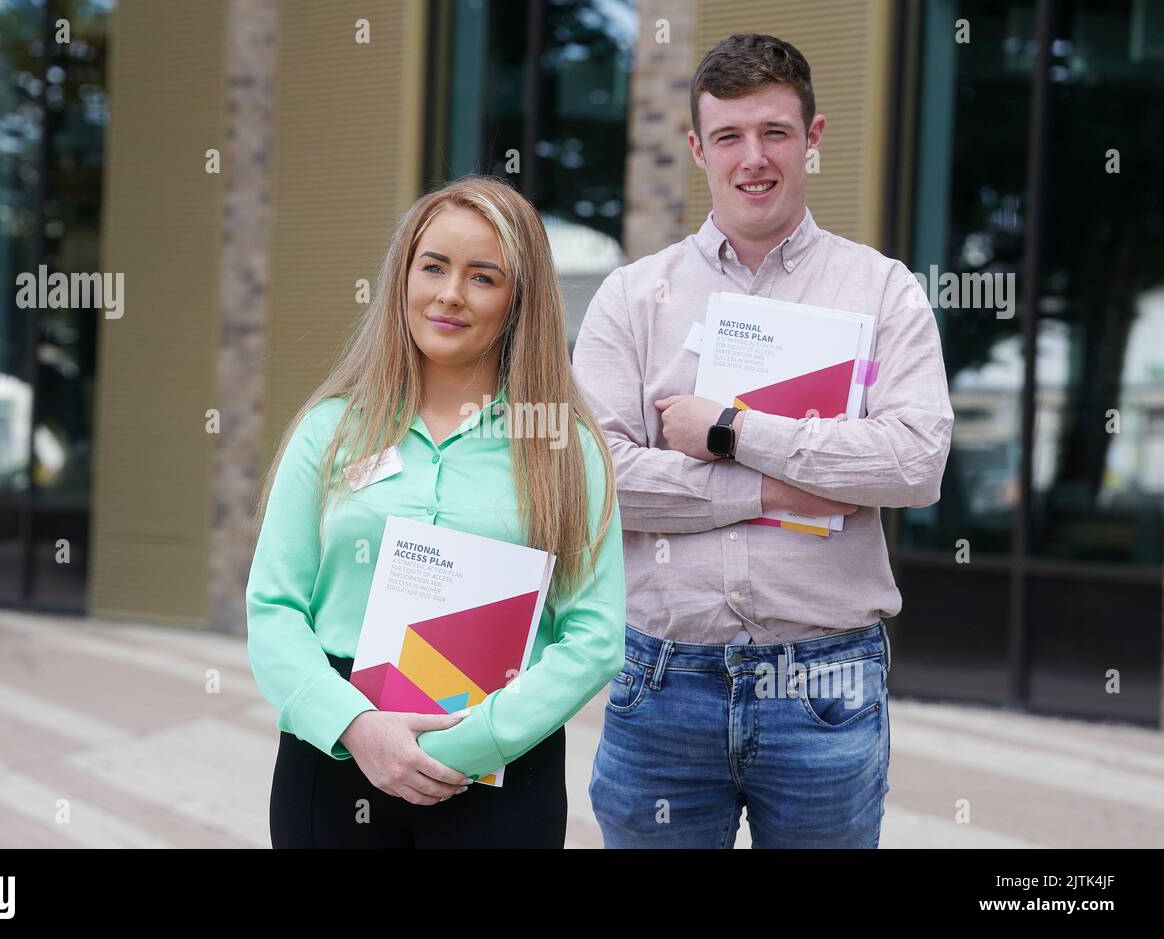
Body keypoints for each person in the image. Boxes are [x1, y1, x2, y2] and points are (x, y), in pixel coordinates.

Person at [573, 33, 953, 848]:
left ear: (812, 140)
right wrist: (776, 486)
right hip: (662, 681)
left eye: (776, 132)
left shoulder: (882, 288)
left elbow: (915, 461)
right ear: (697, 148)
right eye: (730, 136)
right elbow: (597, 481)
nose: (755, 158)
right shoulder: (632, 298)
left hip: (828, 680)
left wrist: (731, 430)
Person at [247, 175, 625, 848]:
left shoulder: (566, 447)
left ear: (518, 302)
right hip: (335, 756)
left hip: (504, 762)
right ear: (403, 279)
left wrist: (473, 742)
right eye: (434, 267)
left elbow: (595, 634)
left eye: (483, 277)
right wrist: (356, 726)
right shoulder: (329, 430)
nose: (450, 294)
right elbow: (274, 608)